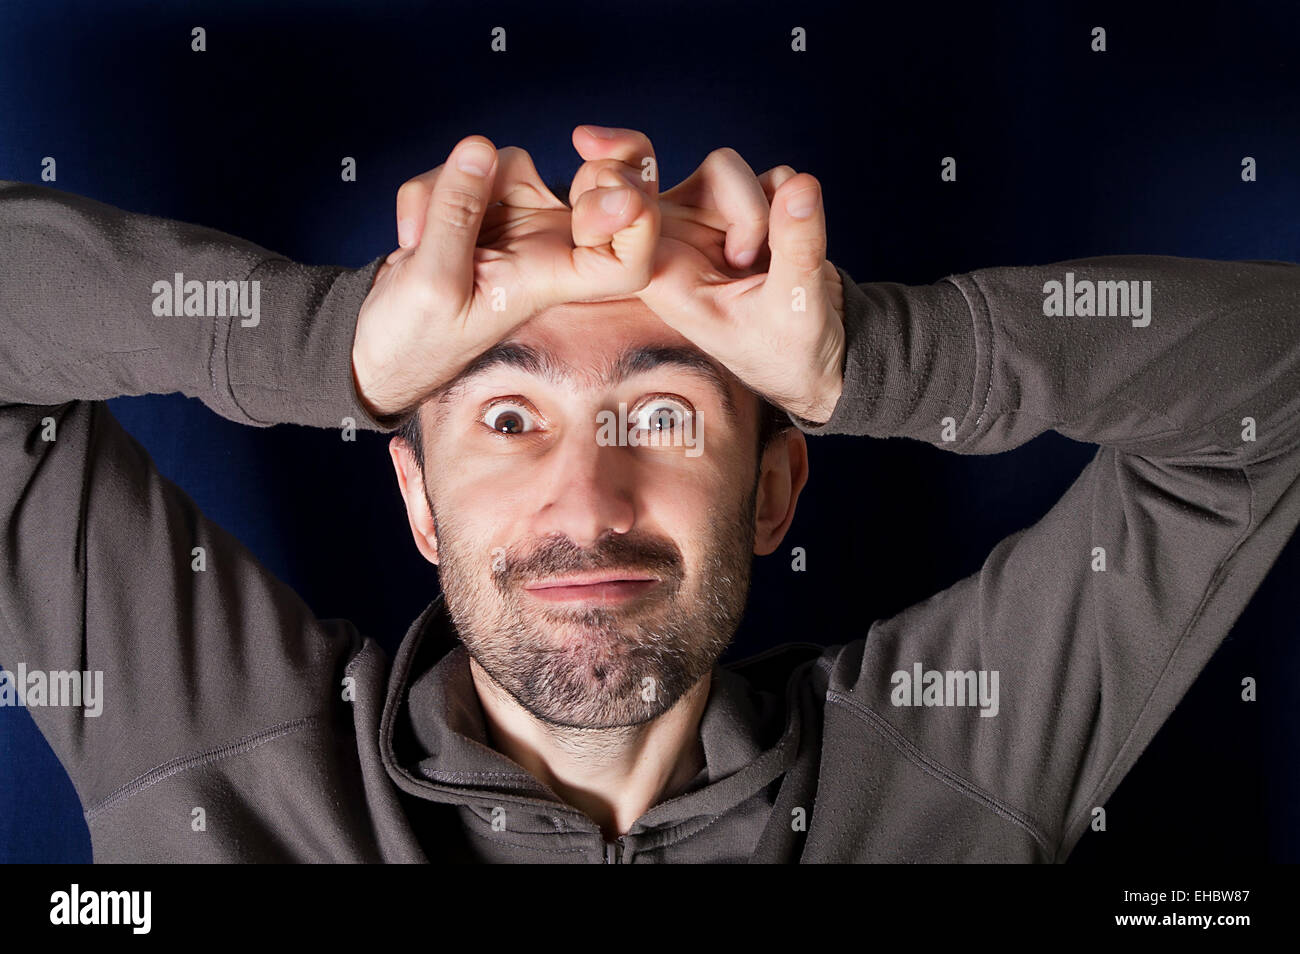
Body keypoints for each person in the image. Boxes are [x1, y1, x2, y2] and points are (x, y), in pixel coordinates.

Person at [1, 124, 1296, 862]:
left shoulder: (953, 764)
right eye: (510, 417)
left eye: (661, 414)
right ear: (420, 500)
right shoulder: (208, 745)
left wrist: (878, 357)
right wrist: (330, 343)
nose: (588, 500)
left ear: (776, 488)